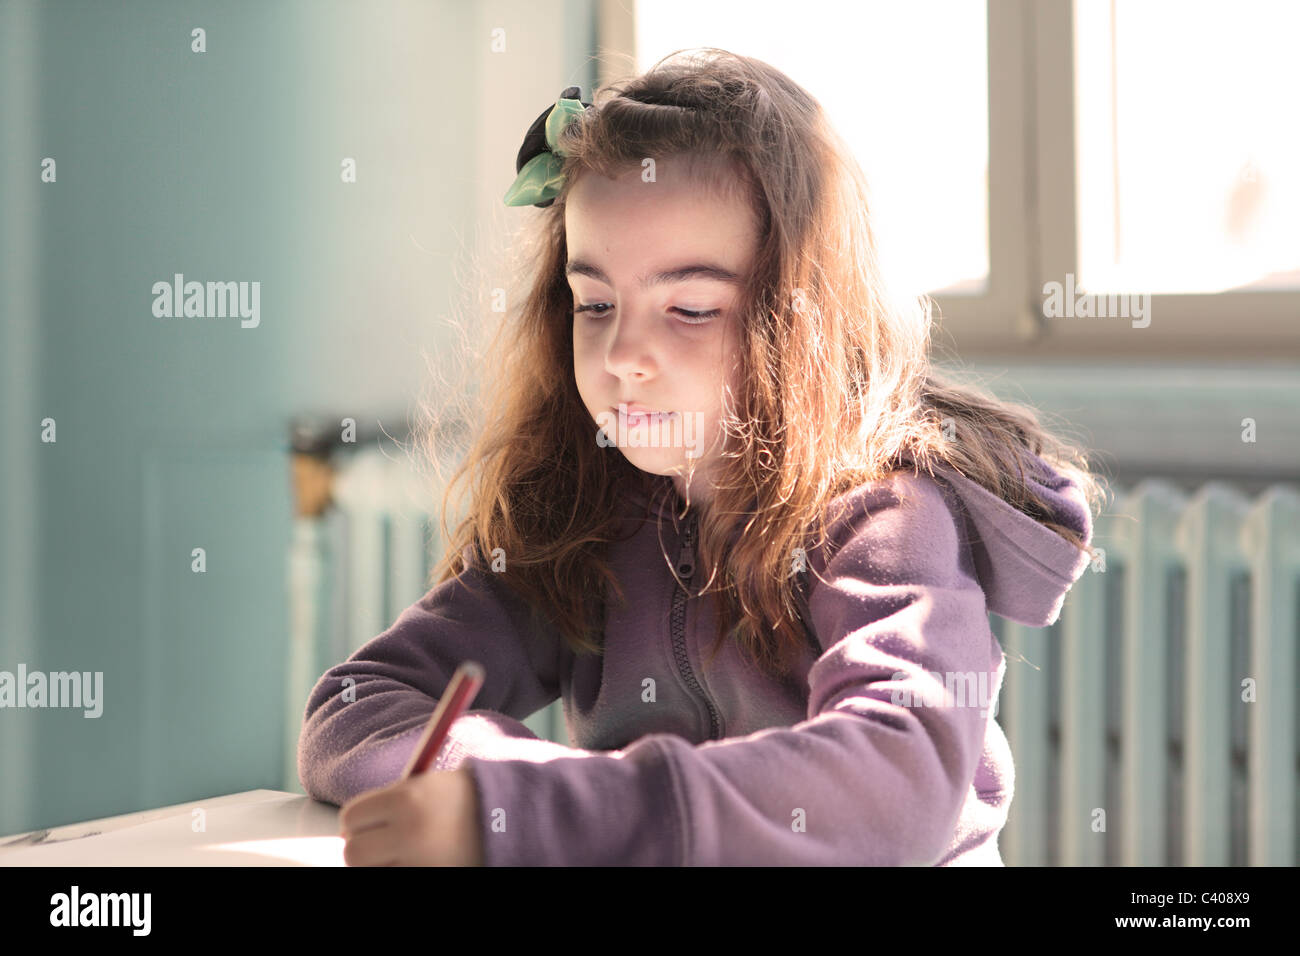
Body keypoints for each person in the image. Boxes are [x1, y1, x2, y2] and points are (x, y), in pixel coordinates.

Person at [298, 48, 1106, 866]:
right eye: (596, 302)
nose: (622, 352)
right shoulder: (587, 513)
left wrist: (553, 812)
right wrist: (512, 795)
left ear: (801, 321)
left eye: (689, 307)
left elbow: (894, 784)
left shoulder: (887, 518)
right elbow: (356, 705)